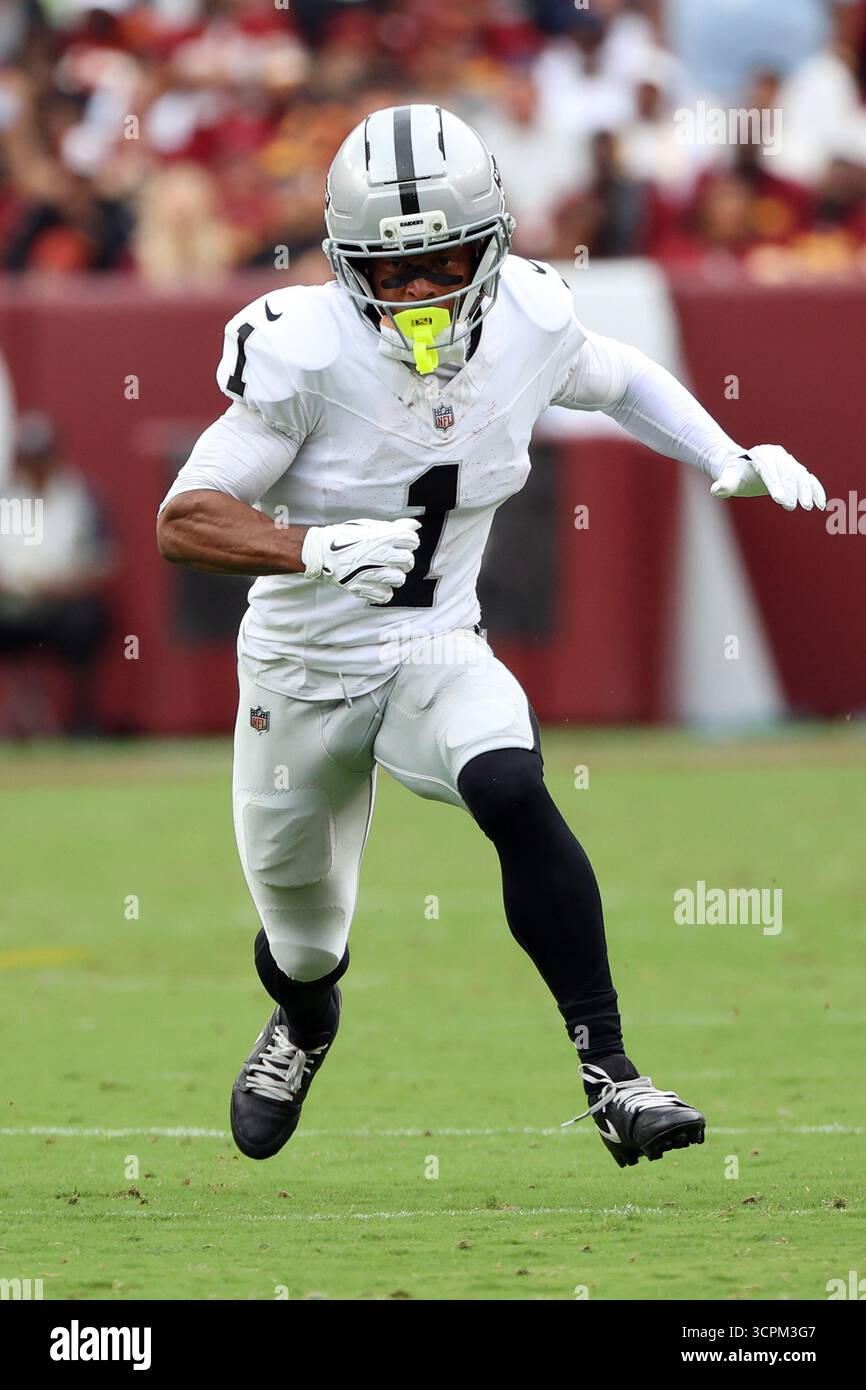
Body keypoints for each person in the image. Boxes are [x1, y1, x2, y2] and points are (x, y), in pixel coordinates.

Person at [156, 105, 825, 1167]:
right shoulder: (304, 351)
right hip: (298, 669)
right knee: (303, 941)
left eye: (443, 263)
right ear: (342, 266)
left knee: (509, 783)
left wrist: (720, 452)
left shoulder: (528, 319)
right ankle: (305, 1018)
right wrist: (310, 546)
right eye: (390, 271)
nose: (418, 293)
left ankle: (612, 1071)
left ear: (492, 246)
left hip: (435, 650)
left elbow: (619, 379)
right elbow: (183, 517)